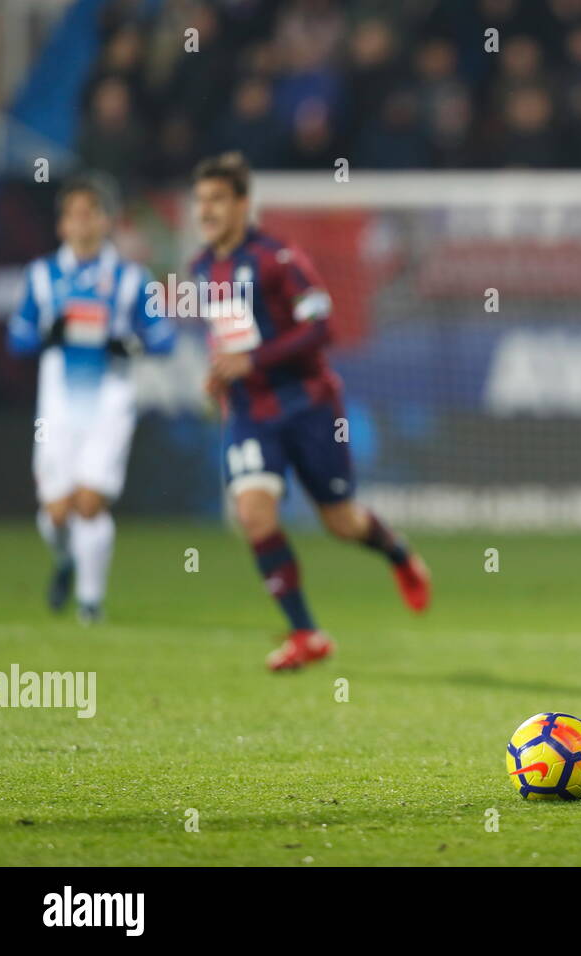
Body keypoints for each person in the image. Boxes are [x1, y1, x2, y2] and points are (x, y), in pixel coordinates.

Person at [189, 152, 430, 671]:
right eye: (200, 200)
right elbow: (230, 337)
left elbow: (321, 328)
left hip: (309, 404)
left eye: (216, 200)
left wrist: (250, 358)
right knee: (253, 513)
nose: (205, 210)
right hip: (251, 412)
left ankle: (400, 555)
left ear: (241, 203)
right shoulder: (202, 268)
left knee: (340, 521)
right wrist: (220, 373)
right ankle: (306, 633)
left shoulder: (279, 258)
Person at [7, 173, 173, 623]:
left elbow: (162, 339)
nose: (82, 223)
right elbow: (17, 340)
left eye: (91, 213)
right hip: (58, 407)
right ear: (61, 225)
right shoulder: (42, 276)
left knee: (89, 502)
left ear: (106, 221)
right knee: (56, 513)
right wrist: (48, 333)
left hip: (110, 403)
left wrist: (130, 345)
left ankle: (90, 603)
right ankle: (65, 562)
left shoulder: (130, 278)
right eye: (74, 215)